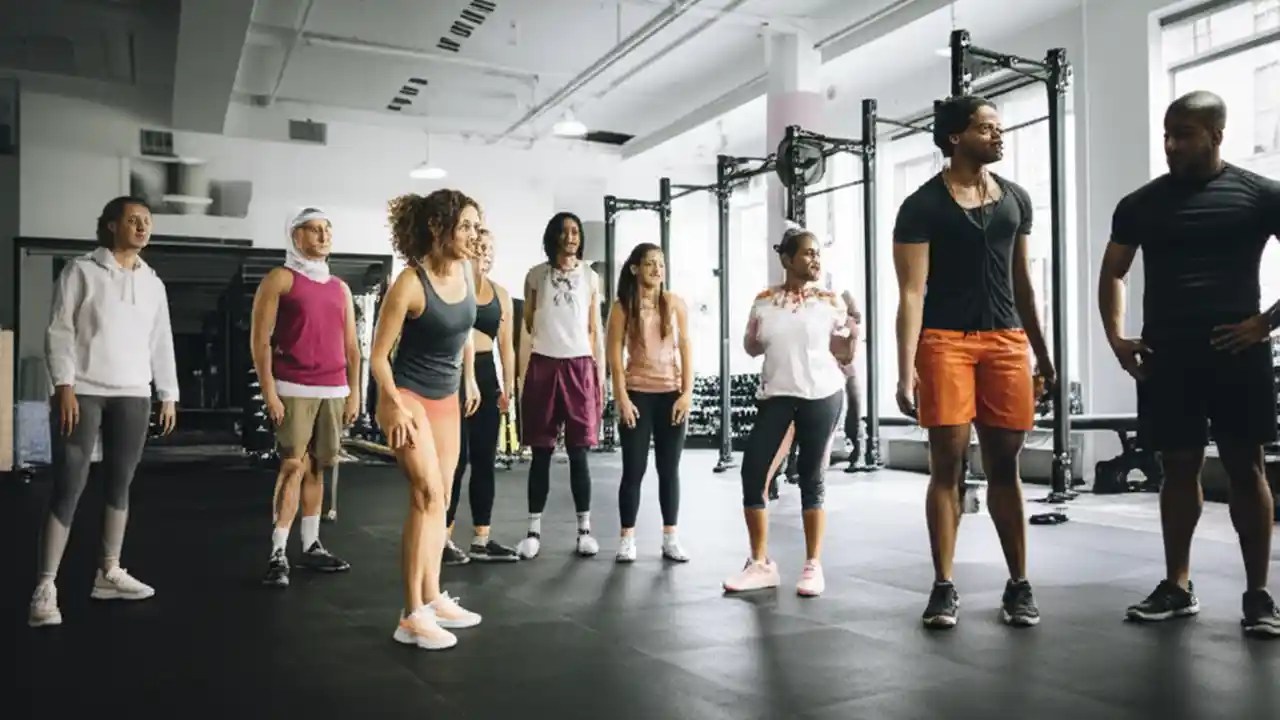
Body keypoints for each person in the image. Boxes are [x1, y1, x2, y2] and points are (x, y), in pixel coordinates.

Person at [1099, 90, 1280, 637]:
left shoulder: (1261, 195)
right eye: (1167, 135)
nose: (1171, 145)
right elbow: (1114, 272)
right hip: (1168, 355)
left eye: (1183, 135)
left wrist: (1265, 323)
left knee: (1246, 467)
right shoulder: (1141, 204)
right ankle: (1177, 585)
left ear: (1216, 135)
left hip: (1237, 352)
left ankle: (1258, 595)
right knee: (1176, 468)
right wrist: (1117, 338)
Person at [892, 95, 1053, 629]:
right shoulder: (922, 206)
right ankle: (943, 586)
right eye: (987, 128)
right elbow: (911, 294)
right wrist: (904, 370)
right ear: (956, 136)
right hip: (944, 342)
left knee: (1006, 465)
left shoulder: (1016, 199)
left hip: (1006, 341)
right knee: (948, 465)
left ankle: (1019, 583)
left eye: (999, 127)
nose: (998, 135)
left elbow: (1024, 284)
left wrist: (1043, 354)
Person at [28, 196, 179, 627]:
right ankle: (45, 586)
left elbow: (161, 340)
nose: (142, 227)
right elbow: (59, 330)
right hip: (85, 390)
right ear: (112, 225)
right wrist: (64, 385)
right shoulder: (81, 271)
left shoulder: (152, 283)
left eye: (147, 221)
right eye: (133, 220)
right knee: (69, 484)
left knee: (120, 484)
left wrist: (168, 392)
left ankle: (108, 573)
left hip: (134, 392)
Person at [371, 189, 484, 651]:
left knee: (444, 499)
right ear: (438, 227)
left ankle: (433, 596)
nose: (474, 235)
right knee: (427, 496)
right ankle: (411, 614)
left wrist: (470, 378)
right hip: (408, 396)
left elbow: (465, 333)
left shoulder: (467, 272)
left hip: (447, 398)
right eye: (466, 226)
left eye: (476, 226)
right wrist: (393, 405)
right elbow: (378, 356)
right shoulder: (410, 283)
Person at [722, 226, 853, 598]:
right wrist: (750, 336)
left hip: (821, 395)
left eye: (817, 253)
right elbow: (752, 347)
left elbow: (845, 354)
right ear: (786, 259)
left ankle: (813, 565)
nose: (815, 259)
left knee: (811, 477)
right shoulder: (764, 301)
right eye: (807, 253)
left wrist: (854, 332)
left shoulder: (831, 302)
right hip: (777, 395)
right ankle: (760, 564)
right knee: (753, 474)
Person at [251, 208, 357, 588]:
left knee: (318, 467)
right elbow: (260, 340)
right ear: (296, 236)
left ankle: (311, 545)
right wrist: (269, 393)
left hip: (334, 388)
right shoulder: (281, 279)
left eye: (327, 229)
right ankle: (278, 552)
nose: (323, 236)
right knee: (292, 466)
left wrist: (355, 394)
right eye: (314, 230)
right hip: (293, 386)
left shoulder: (340, 287)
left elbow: (352, 347)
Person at [515, 212, 606, 560]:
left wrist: (599, 376)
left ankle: (584, 531)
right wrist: (521, 376)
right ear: (553, 236)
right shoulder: (535, 275)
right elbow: (529, 324)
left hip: (579, 365)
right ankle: (533, 532)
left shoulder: (591, 277)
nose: (571, 237)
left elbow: (594, 328)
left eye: (575, 232)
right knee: (541, 451)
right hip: (544, 364)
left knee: (579, 451)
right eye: (565, 231)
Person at [606, 243, 693, 563]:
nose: (657, 269)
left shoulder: (675, 304)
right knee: (634, 469)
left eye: (661, 264)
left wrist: (687, 393)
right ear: (635, 269)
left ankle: (670, 538)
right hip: (638, 394)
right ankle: (627, 539)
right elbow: (614, 358)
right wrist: (622, 398)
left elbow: (686, 348)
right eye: (650, 263)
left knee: (669, 470)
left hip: (671, 394)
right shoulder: (622, 307)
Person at [443, 226, 519, 564]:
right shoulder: (455, 286)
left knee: (485, 460)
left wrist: (509, 386)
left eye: (490, 248)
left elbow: (507, 346)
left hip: (487, 376)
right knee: (456, 461)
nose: (485, 253)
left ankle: (481, 539)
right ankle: (442, 538)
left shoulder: (501, 295)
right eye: (480, 246)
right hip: (456, 375)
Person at [840, 289, 865, 472]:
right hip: (833, 366)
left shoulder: (849, 323)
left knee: (855, 406)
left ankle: (857, 452)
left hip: (846, 366)